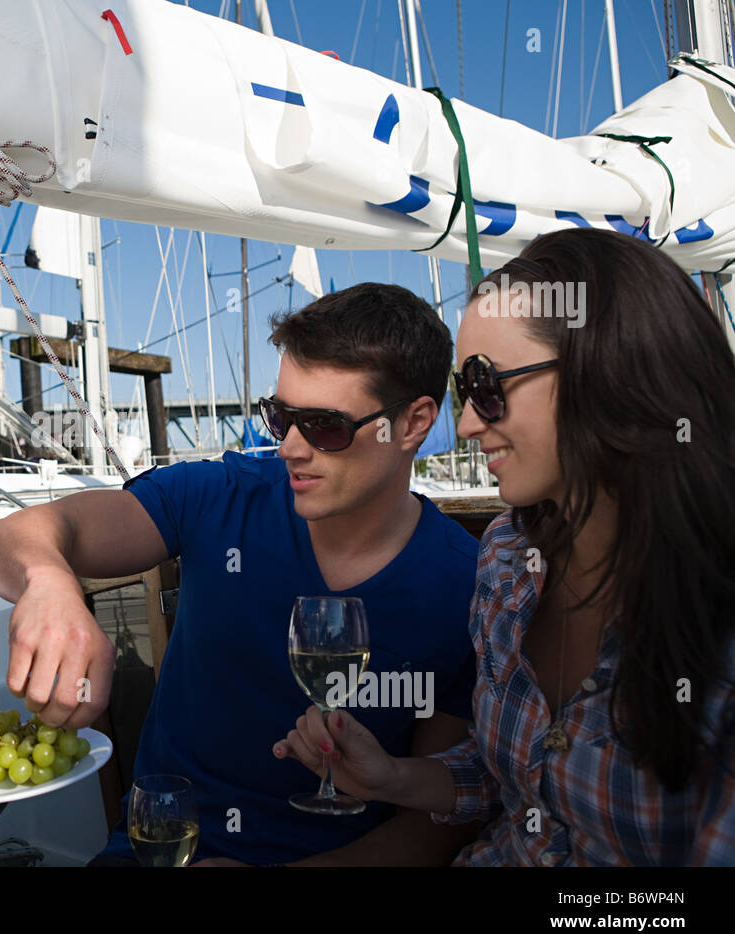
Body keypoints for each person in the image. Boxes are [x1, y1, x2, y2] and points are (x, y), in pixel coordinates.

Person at [0, 282, 483, 865]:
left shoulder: (465, 587)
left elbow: (432, 824)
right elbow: (21, 534)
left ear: (413, 423)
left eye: (324, 425)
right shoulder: (220, 495)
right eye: (281, 417)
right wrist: (50, 585)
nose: (292, 448)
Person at [284, 228, 735, 864]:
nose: (467, 423)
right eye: (464, 392)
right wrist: (394, 777)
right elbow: (520, 783)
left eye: (487, 386)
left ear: (606, 370)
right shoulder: (508, 558)